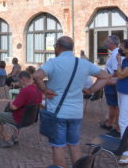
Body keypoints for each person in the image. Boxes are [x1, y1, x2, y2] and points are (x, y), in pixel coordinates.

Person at [33, 36, 110, 167]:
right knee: (74, 145)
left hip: (57, 112)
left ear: (58, 47)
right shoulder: (84, 63)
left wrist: (45, 90)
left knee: (58, 147)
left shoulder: (53, 62)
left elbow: (36, 76)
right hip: (76, 113)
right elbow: (105, 76)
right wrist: (91, 90)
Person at [0, 71, 42, 148]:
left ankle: (7, 138)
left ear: (23, 79)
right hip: (31, 119)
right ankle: (15, 137)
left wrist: (11, 100)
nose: (19, 83)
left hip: (19, 119)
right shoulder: (38, 90)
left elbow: (13, 107)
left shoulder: (25, 91)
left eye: (19, 81)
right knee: (10, 111)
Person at [100, 35, 120, 136]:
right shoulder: (114, 53)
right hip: (111, 82)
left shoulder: (116, 54)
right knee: (113, 105)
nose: (105, 43)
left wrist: (108, 79)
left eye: (107, 41)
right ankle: (112, 123)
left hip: (111, 83)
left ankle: (115, 125)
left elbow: (116, 72)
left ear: (112, 43)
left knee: (113, 105)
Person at [114, 39, 128, 164]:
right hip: (123, 93)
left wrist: (118, 63)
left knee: (123, 121)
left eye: (122, 47)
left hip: (126, 94)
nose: (120, 49)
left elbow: (121, 75)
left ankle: (125, 152)